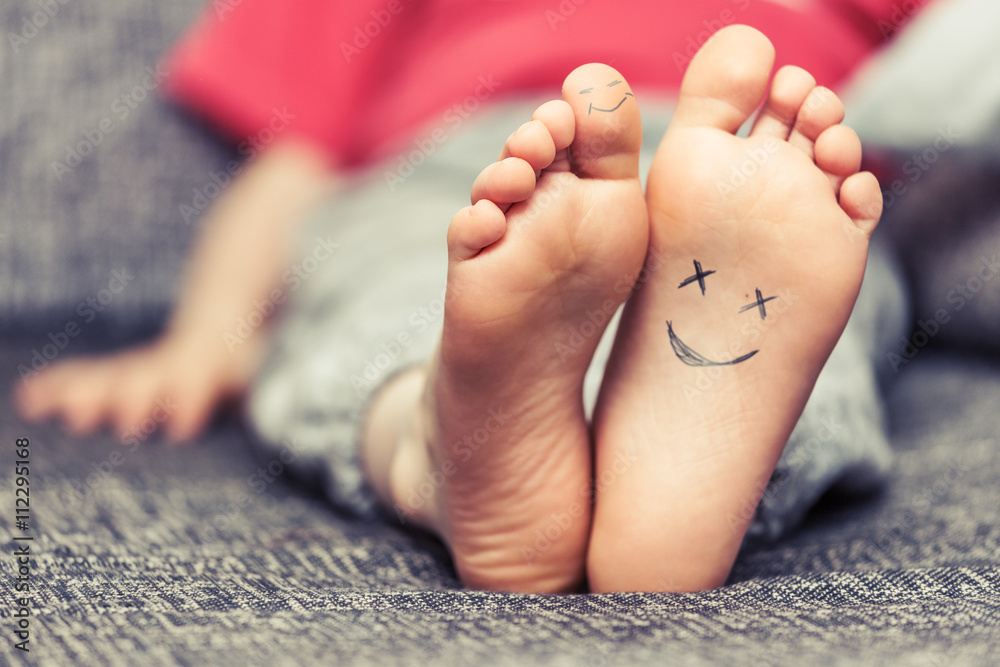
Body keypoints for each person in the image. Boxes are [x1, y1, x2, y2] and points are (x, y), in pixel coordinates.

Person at [16, 5, 915, 594]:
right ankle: (658, 497)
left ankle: (437, 447)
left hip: (741, 188)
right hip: (532, 171)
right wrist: (208, 335)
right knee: (742, 320)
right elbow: (292, 163)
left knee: (415, 300)